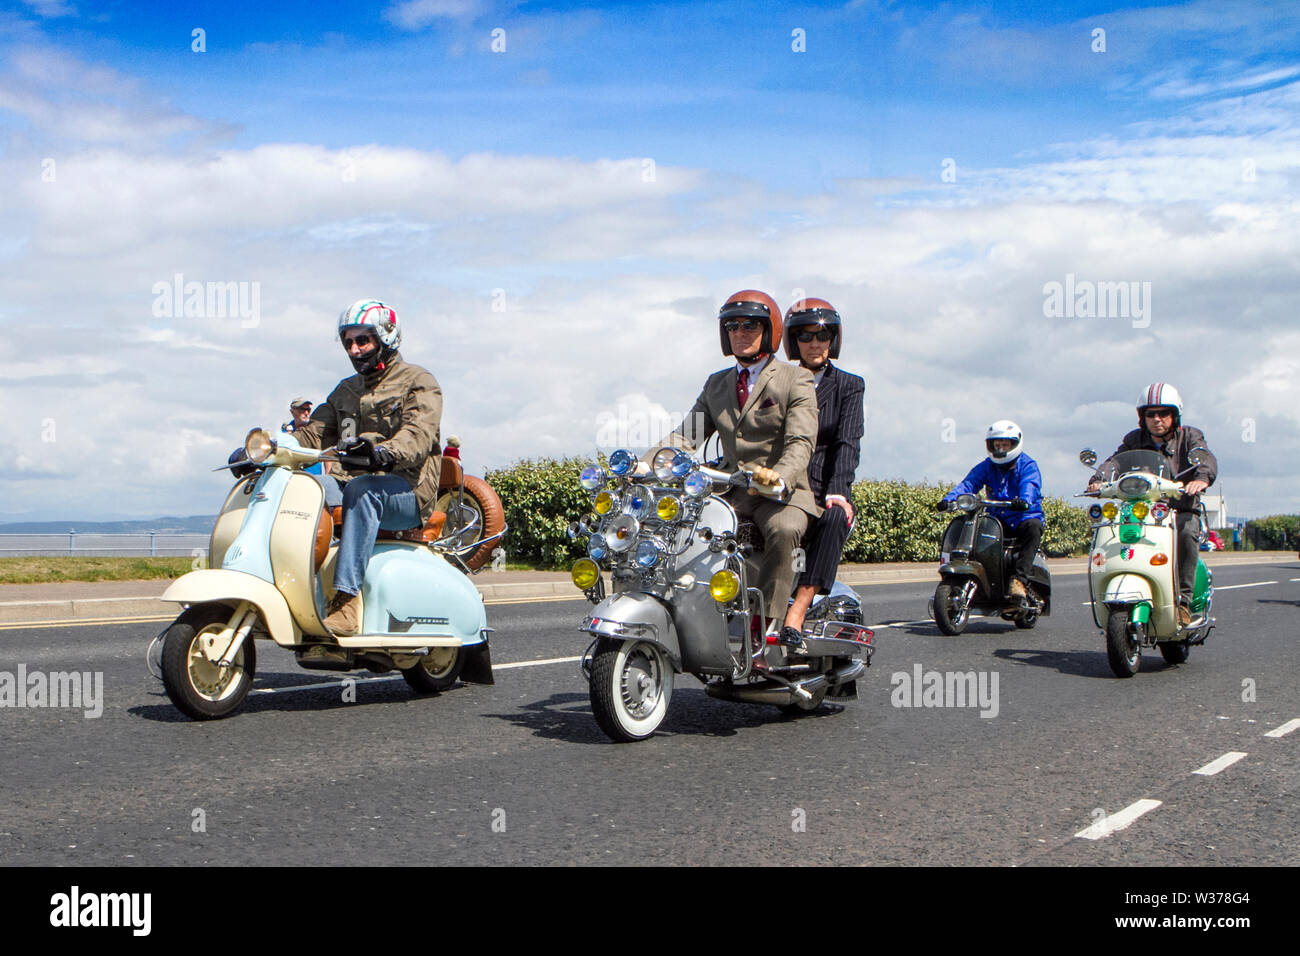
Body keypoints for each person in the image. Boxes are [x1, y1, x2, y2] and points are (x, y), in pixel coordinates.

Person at [652, 290, 819, 634]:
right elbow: (685, 436)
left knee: (784, 530)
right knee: (676, 525)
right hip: (730, 490)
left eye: (750, 326)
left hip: (780, 495)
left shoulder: (795, 378)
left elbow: (801, 441)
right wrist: (645, 465)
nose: (740, 333)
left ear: (769, 331)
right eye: (732, 326)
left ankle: (767, 624)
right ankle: (692, 612)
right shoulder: (717, 384)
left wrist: (780, 476)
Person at [292, 300, 443, 636]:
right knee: (308, 489)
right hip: (352, 486)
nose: (355, 349)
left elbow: (418, 436)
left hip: (406, 491)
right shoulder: (344, 391)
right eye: (348, 342)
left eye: (363, 341)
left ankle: (346, 604)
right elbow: (312, 433)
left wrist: (383, 454)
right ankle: (295, 585)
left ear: (386, 338)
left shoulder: (419, 382)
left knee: (363, 493)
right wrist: (266, 448)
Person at [1087, 383, 1217, 626]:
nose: (1157, 419)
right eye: (1150, 414)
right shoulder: (1134, 439)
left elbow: (1204, 457)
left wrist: (1200, 478)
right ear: (1142, 417)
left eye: (1163, 413)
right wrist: (1099, 479)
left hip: (1179, 507)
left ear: (1174, 415)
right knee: (1109, 529)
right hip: (1142, 509)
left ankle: (1184, 602)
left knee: (1187, 531)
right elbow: (1114, 462)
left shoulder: (1189, 436)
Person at [777, 297, 865, 647]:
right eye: (806, 336)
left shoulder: (849, 385)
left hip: (824, 486)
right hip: (783, 483)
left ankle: (797, 611)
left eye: (823, 335)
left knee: (833, 518)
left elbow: (848, 442)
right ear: (793, 341)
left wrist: (838, 490)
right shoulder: (778, 381)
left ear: (834, 340)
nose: (815, 343)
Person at [939, 421, 1044, 603]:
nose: (1000, 448)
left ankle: (1019, 581)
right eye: (997, 444)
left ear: (1014, 444)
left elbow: (1030, 484)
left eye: (1005, 444)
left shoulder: (1027, 465)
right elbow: (969, 483)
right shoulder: (987, 466)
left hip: (1022, 517)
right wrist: (949, 500)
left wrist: (1024, 500)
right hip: (998, 519)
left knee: (1033, 527)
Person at [283, 397, 322, 475]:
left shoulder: (316, 430)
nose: (306, 413)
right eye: (302, 409)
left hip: (314, 478)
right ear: (292, 411)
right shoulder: (285, 433)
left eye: (308, 410)